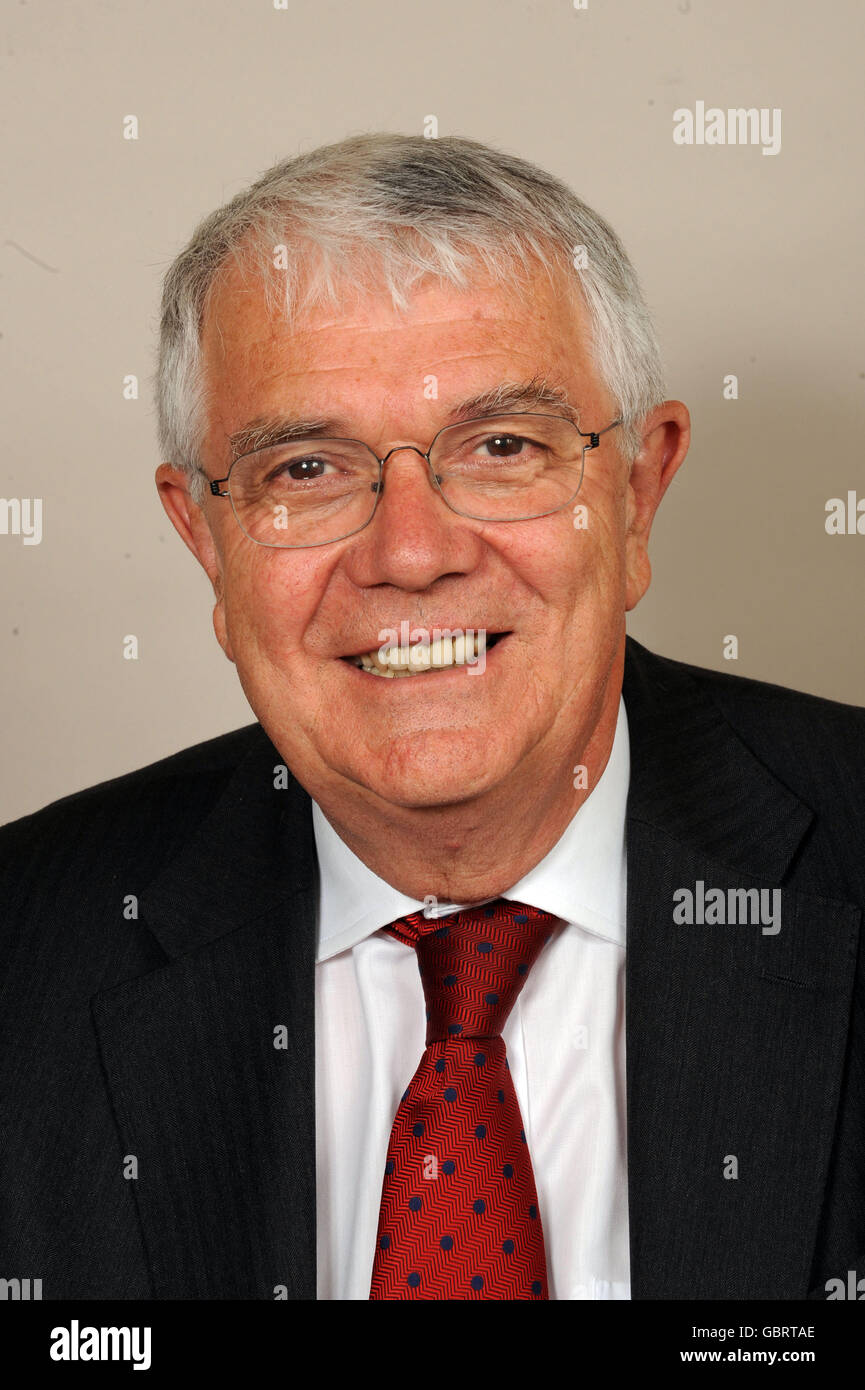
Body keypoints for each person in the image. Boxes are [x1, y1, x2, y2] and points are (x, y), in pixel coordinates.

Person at [1, 133, 863, 1301]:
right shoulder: (28, 953)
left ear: (635, 492)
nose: (410, 553)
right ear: (204, 538)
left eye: (501, 446)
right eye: (305, 468)